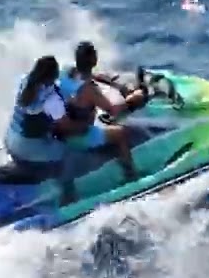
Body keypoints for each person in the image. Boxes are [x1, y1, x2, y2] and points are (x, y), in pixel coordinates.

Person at [56, 41, 144, 183]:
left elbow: (92, 76)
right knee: (120, 133)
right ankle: (131, 174)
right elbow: (114, 110)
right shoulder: (89, 90)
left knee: (99, 118)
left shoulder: (67, 73)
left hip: (62, 129)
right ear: (94, 59)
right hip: (78, 136)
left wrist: (116, 84)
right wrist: (134, 98)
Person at [4, 55, 84, 202]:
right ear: (52, 76)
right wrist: (84, 126)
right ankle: (68, 195)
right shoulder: (51, 100)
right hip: (29, 150)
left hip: (10, 142)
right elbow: (67, 126)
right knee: (68, 153)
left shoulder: (25, 81)